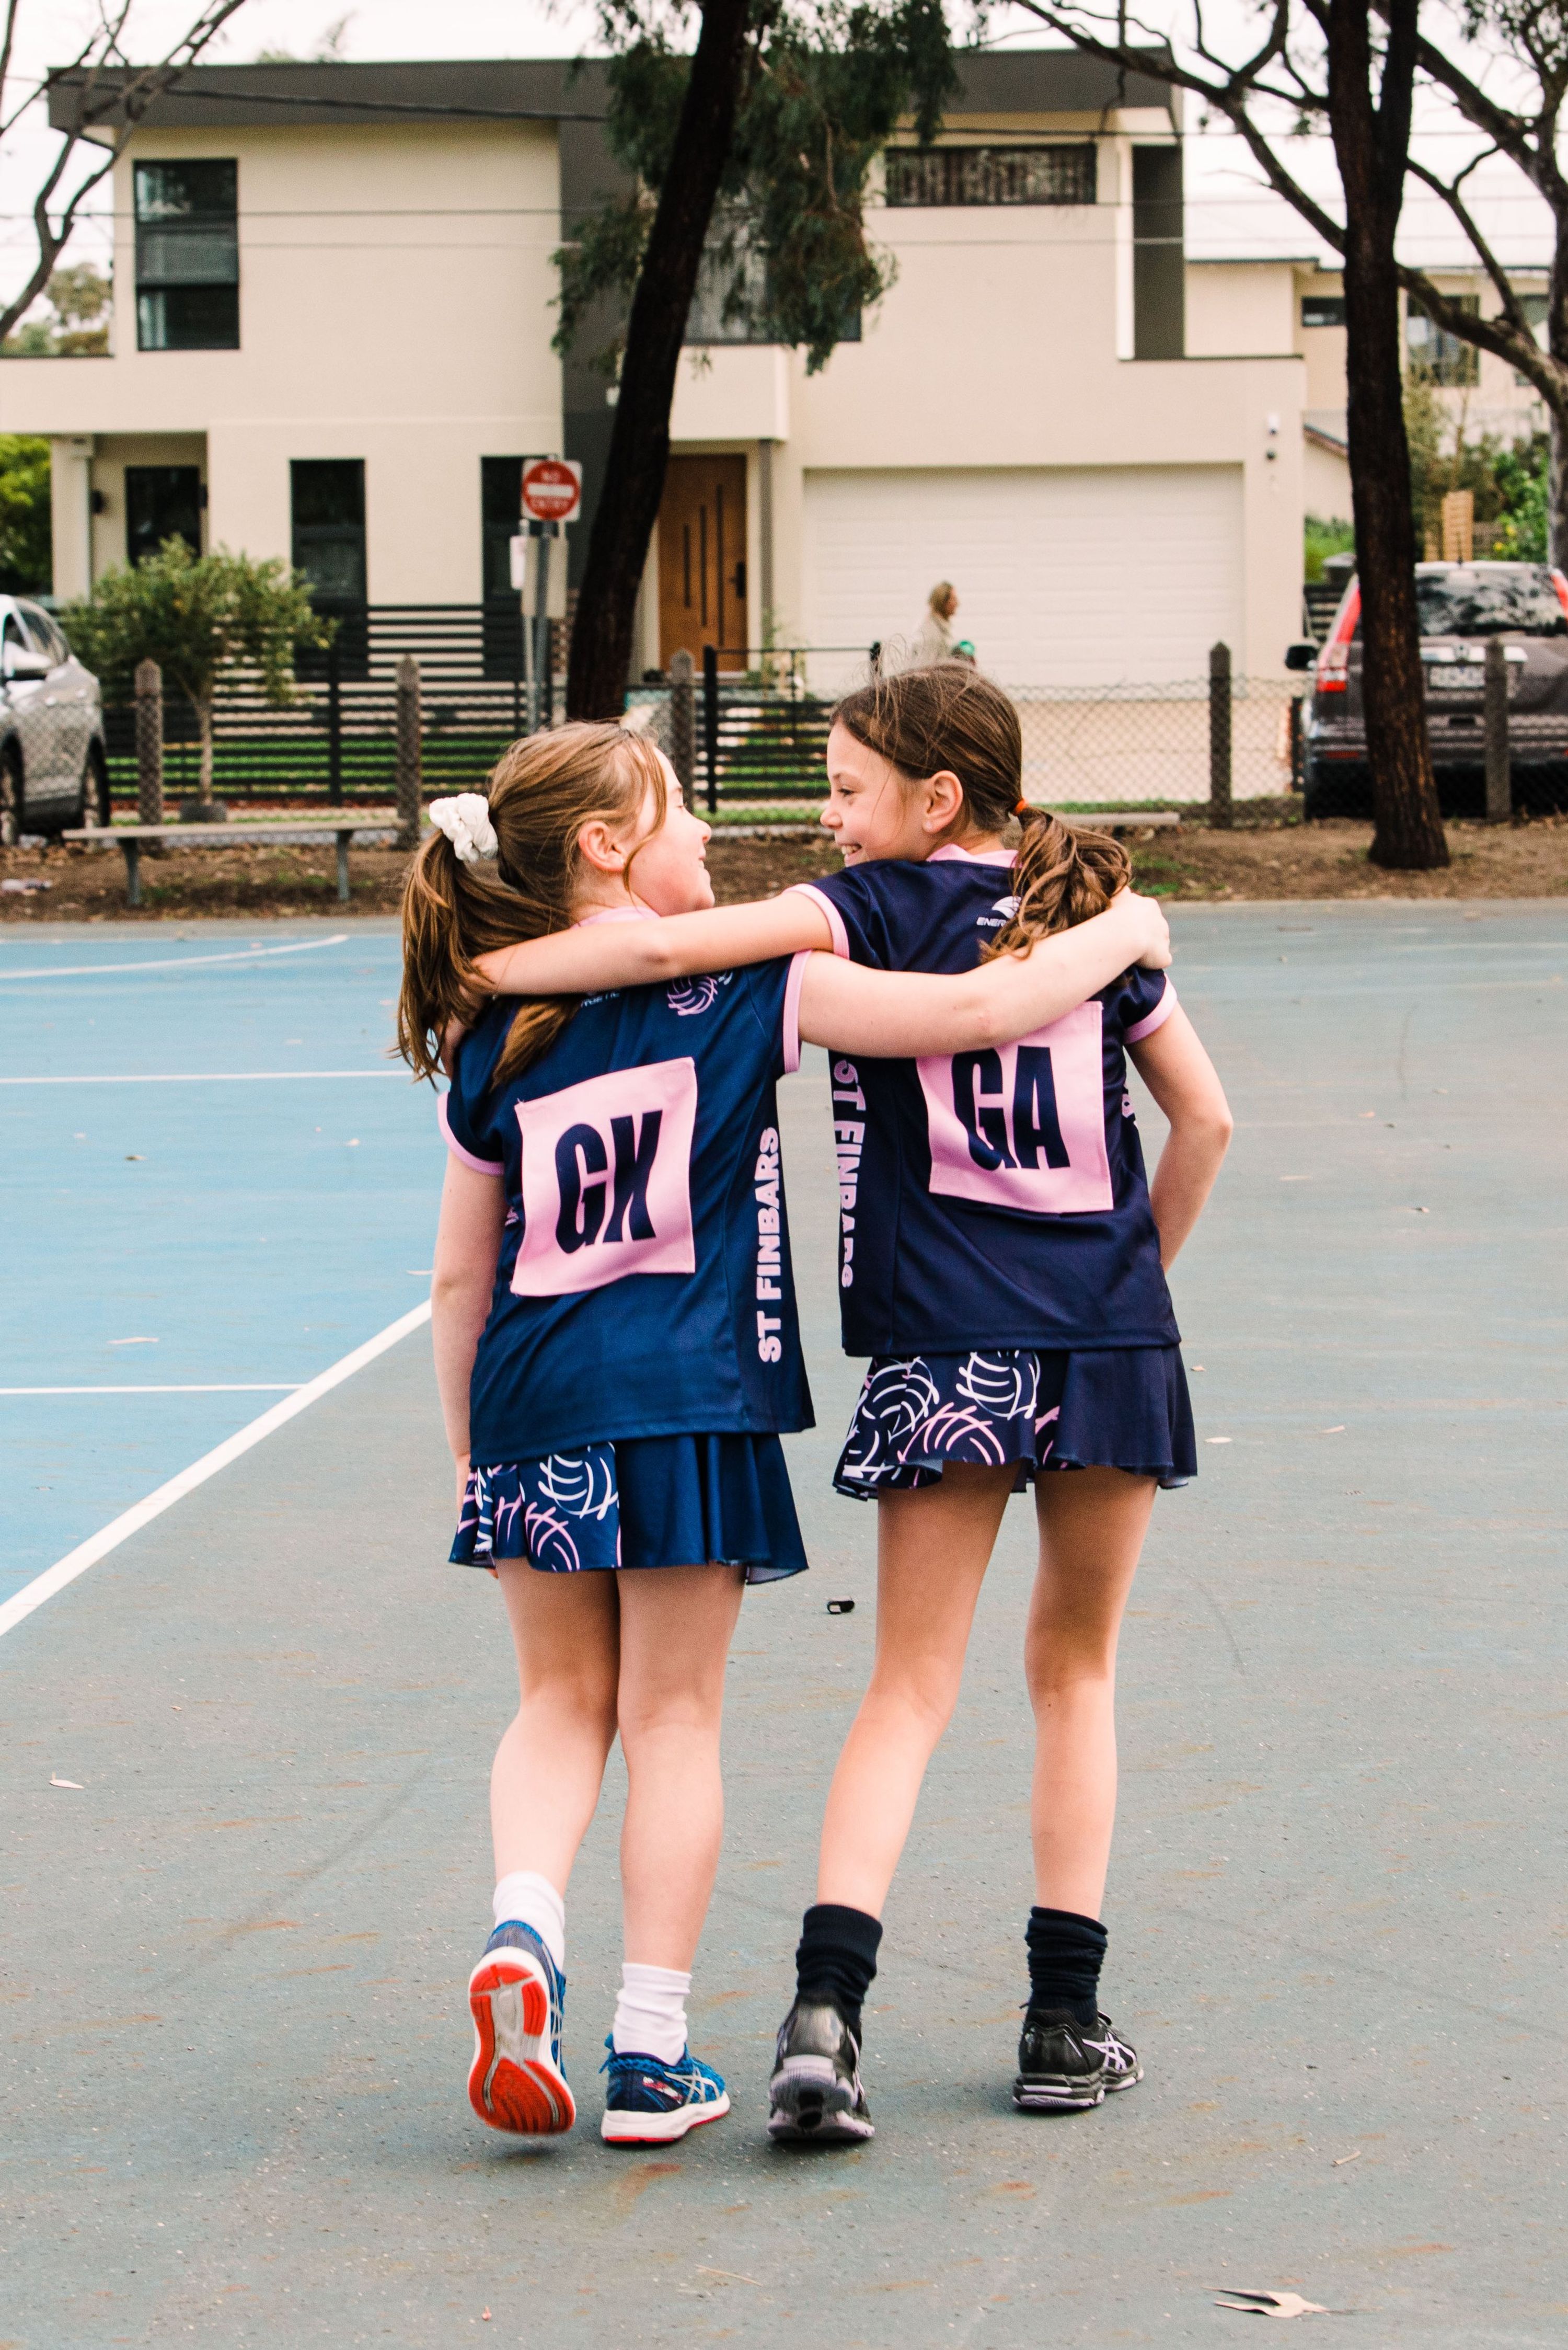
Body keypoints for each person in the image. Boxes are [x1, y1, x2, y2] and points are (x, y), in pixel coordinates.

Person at [462, 665, 1230, 2142]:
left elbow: (662, 949)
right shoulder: (1094, 913)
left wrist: (487, 968)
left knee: (908, 1683)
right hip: (1109, 1336)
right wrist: (1136, 1282)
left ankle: (826, 2007)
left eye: (845, 788)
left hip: (940, 1348)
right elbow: (1204, 1114)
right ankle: (1062, 2017)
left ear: (930, 799)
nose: (825, 814)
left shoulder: (859, 912)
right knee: (1075, 1672)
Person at [909, 581, 960, 669]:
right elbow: (925, 670)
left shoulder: (940, 627)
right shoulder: (930, 632)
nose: (958, 604)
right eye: (954, 599)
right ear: (943, 602)